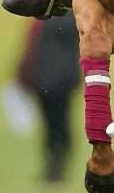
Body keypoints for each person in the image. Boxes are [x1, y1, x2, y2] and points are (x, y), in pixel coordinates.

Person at [17, 13, 81, 183]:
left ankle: (55, 168)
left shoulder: (49, 17)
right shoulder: (72, 16)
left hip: (49, 80)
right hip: (55, 80)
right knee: (57, 125)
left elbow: (32, 47)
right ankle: (55, 167)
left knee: (55, 126)